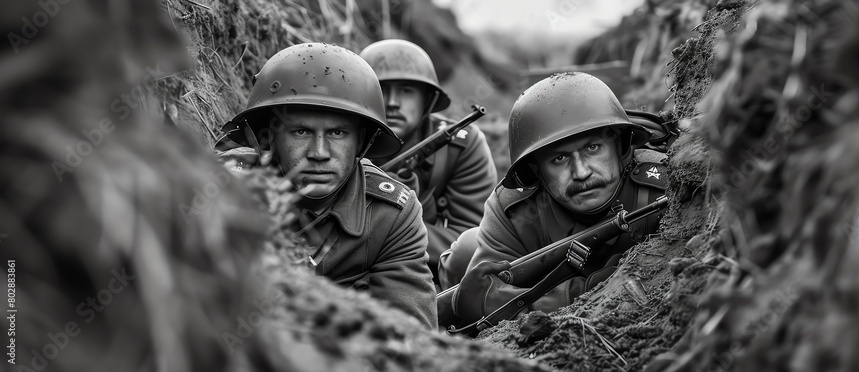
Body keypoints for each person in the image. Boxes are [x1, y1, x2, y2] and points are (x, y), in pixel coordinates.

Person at [219, 43, 437, 329]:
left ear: (361, 141)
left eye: (337, 133)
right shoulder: (225, 188)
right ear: (268, 137)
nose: (319, 152)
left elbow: (412, 337)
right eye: (300, 131)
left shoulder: (391, 215)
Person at [439, 72, 672, 327]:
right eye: (559, 159)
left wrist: (559, 297)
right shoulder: (514, 211)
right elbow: (486, 297)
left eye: (593, 148)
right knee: (465, 251)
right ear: (536, 170)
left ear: (620, 146)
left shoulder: (667, 182)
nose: (581, 172)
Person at [359, 39, 497, 287]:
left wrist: (383, 225)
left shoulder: (461, 145)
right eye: (381, 89)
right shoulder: (343, 139)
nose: (392, 102)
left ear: (428, 99)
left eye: (407, 90)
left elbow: (476, 240)